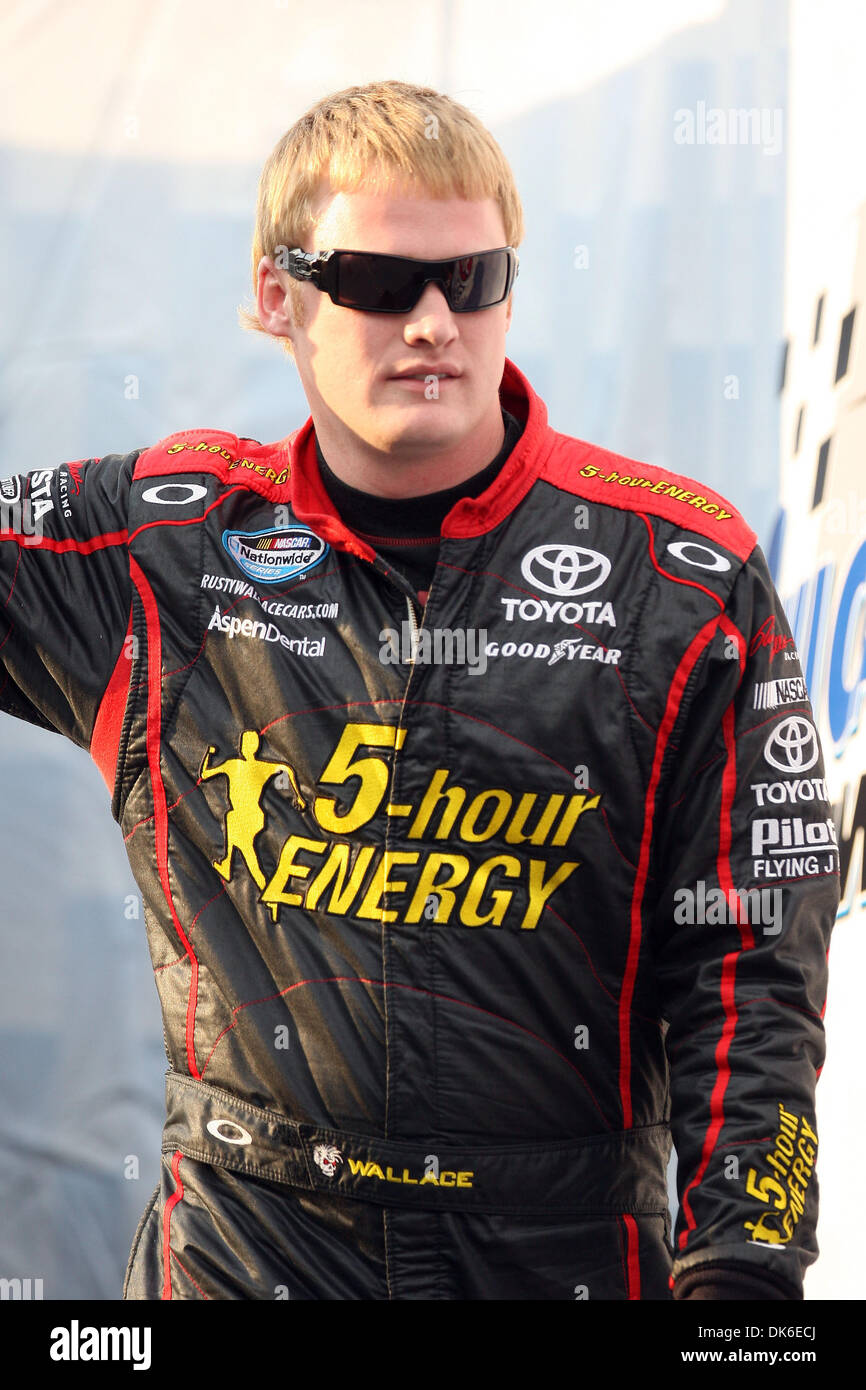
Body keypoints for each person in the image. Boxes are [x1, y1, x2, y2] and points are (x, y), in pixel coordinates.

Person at [0, 79, 837, 1301]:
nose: (435, 322)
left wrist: (744, 1285)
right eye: (383, 284)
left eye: (474, 279)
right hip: (244, 1251)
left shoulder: (680, 573)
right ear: (276, 296)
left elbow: (754, 969)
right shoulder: (160, 539)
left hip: (564, 1256)